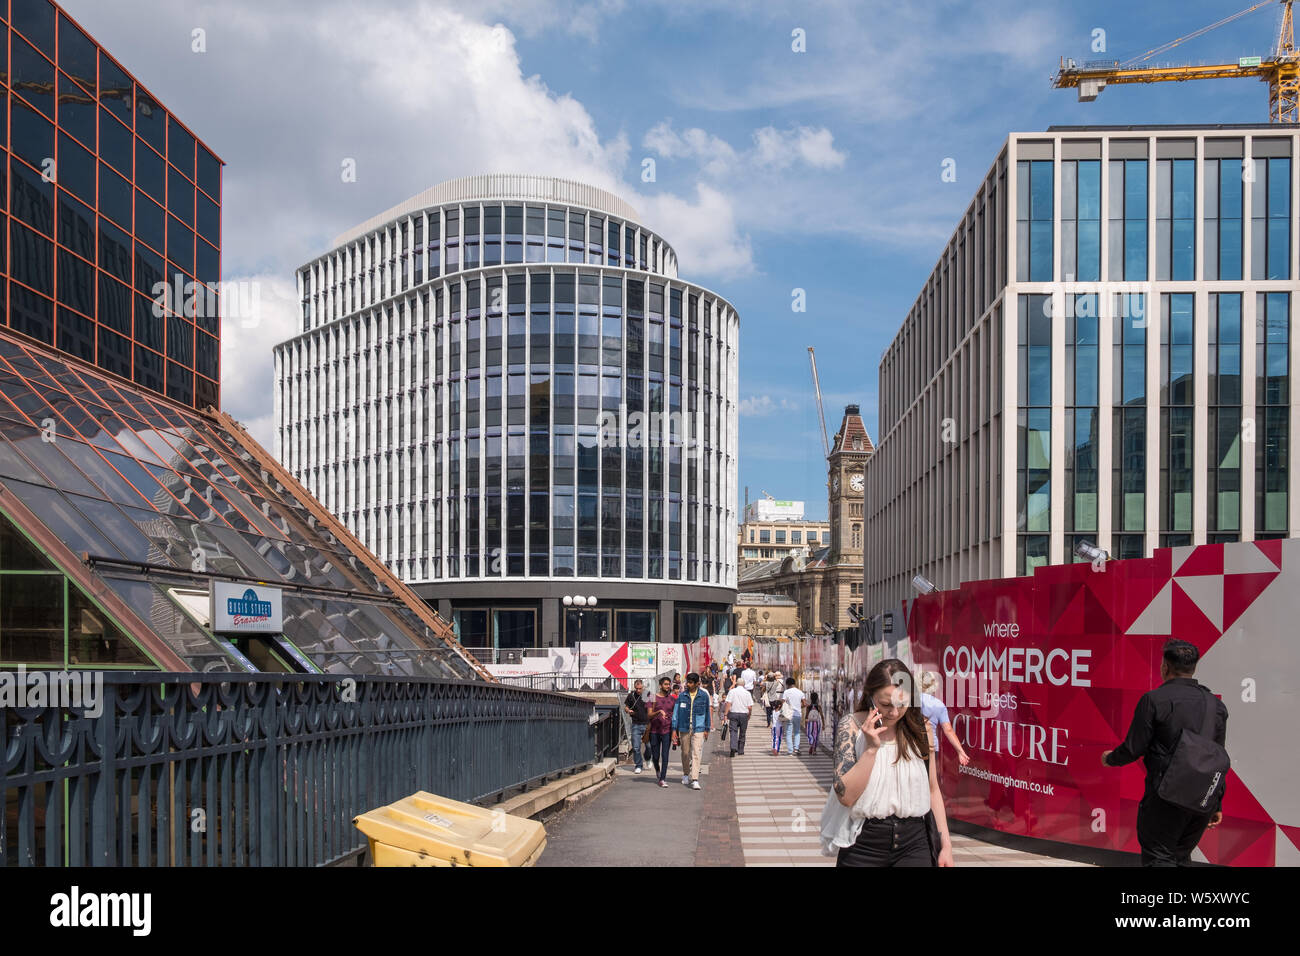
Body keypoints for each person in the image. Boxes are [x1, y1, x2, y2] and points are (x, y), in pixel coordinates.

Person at [1102, 639, 1228, 866]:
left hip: (1165, 797)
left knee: (1159, 858)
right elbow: (1217, 757)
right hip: (1200, 801)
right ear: (1193, 668)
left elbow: (1133, 748)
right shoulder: (1215, 705)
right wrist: (1215, 804)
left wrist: (1110, 759)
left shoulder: (1154, 700)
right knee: (1180, 858)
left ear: (1165, 667)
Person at [825, 658, 954, 867]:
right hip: (864, 844)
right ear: (870, 696)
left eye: (901, 704)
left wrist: (946, 846)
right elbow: (846, 796)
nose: (894, 713)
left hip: (915, 843)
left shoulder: (920, 728)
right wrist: (871, 749)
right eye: (885, 704)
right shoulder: (851, 726)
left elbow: (932, 790)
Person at [919, 672, 971, 768]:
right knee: (930, 779)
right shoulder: (939, 705)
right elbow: (948, 730)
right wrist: (960, 751)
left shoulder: (911, 700)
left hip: (913, 746)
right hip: (931, 747)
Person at [671, 672, 712, 789]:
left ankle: (695, 779)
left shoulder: (703, 696)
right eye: (687, 682)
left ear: (697, 684)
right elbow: (676, 714)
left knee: (696, 753)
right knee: (685, 753)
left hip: (698, 728)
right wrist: (674, 729)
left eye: (690, 682)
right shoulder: (682, 696)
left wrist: (707, 728)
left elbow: (707, 713)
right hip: (684, 728)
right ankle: (685, 774)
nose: (687, 684)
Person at [648, 676, 676, 788]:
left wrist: (675, 732)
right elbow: (649, 715)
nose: (668, 686)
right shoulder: (651, 697)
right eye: (665, 684)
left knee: (665, 755)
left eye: (669, 684)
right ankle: (658, 770)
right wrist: (659, 711)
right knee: (655, 756)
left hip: (667, 730)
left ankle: (663, 778)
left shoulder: (673, 699)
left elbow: (675, 716)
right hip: (654, 730)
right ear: (660, 685)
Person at [624, 679, 651, 774]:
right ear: (634, 688)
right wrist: (628, 710)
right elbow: (626, 706)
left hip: (647, 724)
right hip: (636, 724)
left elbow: (653, 707)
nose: (638, 690)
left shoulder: (648, 694)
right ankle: (638, 765)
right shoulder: (631, 696)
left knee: (649, 746)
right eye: (637, 688)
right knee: (636, 747)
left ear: (643, 687)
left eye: (640, 688)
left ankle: (648, 758)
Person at [723, 674, 754, 756]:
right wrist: (749, 715)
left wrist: (725, 714)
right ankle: (741, 750)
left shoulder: (732, 691)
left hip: (733, 714)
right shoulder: (747, 693)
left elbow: (728, 703)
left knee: (733, 731)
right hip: (744, 714)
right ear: (744, 684)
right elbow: (750, 707)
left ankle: (733, 747)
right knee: (742, 732)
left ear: (736, 683)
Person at [782, 677, 806, 755]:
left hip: (789, 714)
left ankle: (790, 750)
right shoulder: (800, 692)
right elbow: (804, 704)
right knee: (797, 732)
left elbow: (783, 702)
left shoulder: (786, 692)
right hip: (797, 714)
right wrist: (799, 707)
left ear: (787, 684)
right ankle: (796, 749)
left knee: (789, 732)